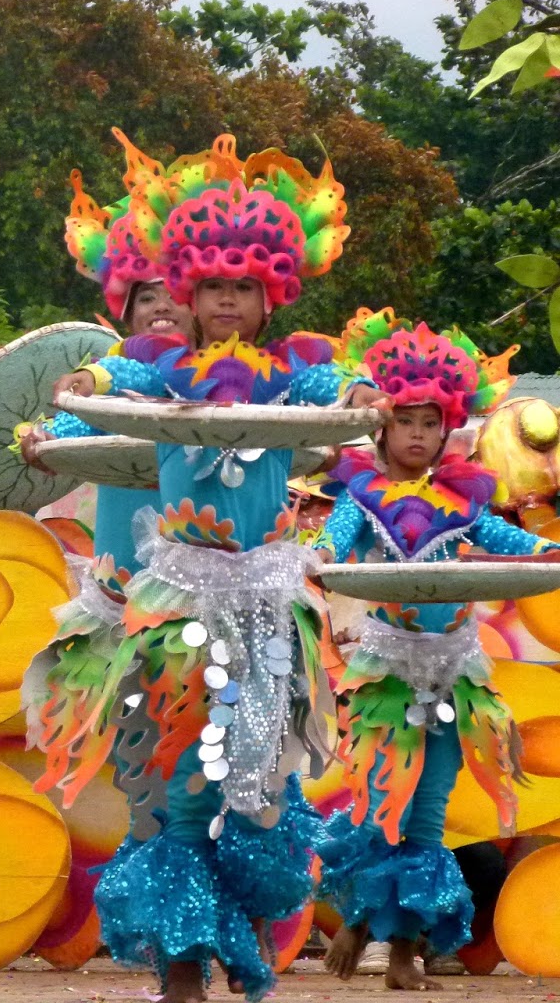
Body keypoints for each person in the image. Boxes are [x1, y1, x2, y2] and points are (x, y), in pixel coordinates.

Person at [54, 132, 390, 1003]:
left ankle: (234, 933)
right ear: (187, 294)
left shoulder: (288, 377)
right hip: (172, 604)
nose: (229, 302)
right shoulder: (159, 369)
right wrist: (89, 378)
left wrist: (358, 395)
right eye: (213, 288)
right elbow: (102, 372)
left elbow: (345, 391)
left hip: (268, 603)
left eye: (245, 287)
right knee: (180, 781)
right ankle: (178, 972)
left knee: (257, 778)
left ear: (269, 294)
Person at [313, 310, 547, 990]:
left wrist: (548, 548)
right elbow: (331, 543)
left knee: (431, 810)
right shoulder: (362, 495)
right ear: (382, 425)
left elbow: (512, 546)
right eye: (406, 421)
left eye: (430, 423)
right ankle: (362, 919)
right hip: (386, 671)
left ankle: (408, 948)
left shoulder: (465, 499)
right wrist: (318, 558)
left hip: (455, 674)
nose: (417, 435)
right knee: (384, 801)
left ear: (449, 430)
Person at [19, 141, 207, 829]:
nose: (160, 308)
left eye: (173, 295)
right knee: (139, 759)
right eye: (144, 297)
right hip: (122, 600)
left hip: (210, 601)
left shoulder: (226, 382)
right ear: (123, 311)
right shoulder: (116, 375)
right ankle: (157, 913)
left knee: (208, 761)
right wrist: (40, 439)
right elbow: (92, 402)